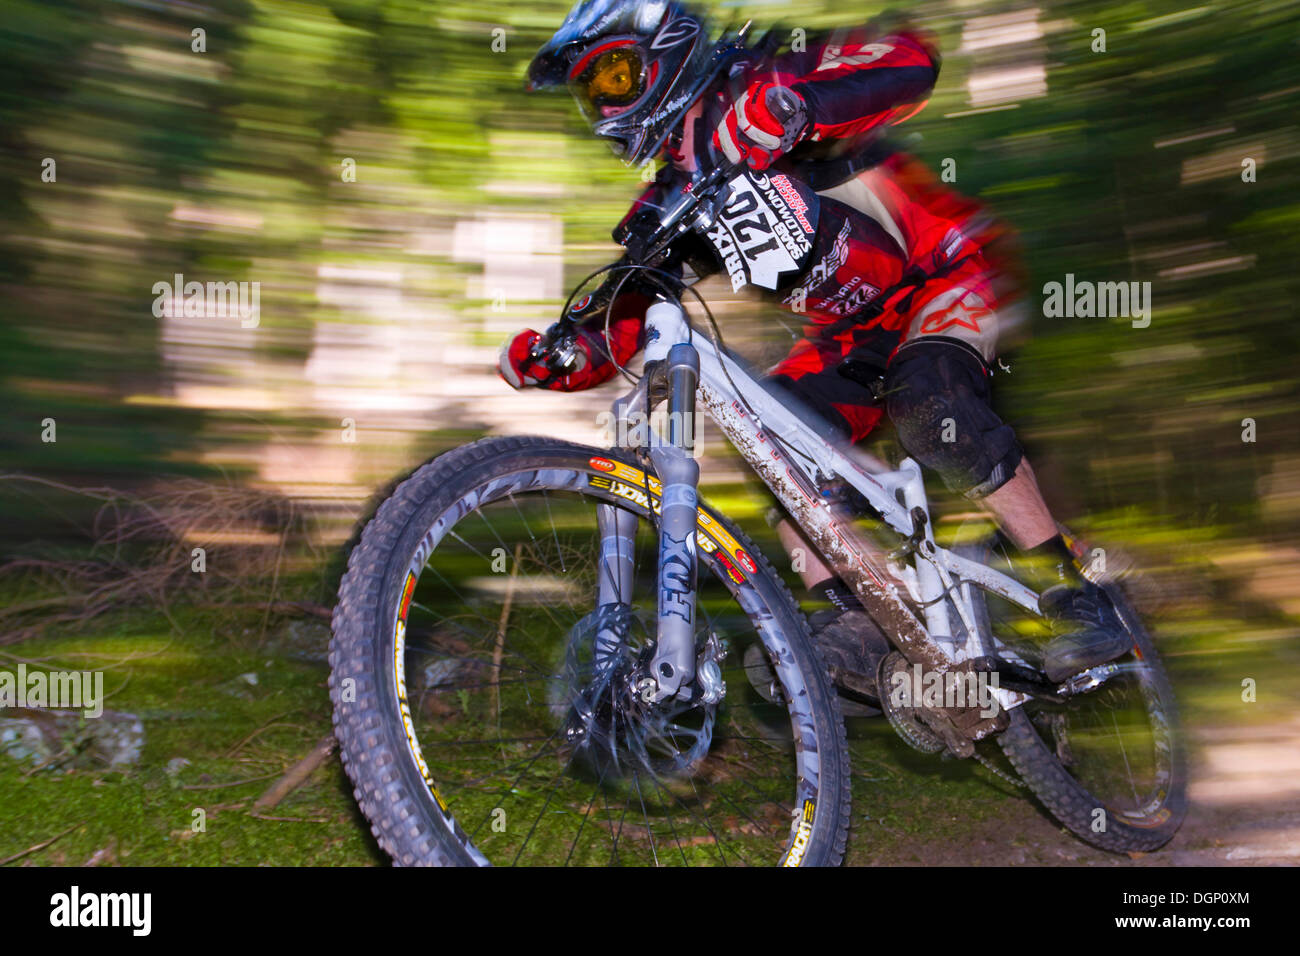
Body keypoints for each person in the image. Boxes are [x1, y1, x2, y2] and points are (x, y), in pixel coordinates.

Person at [499, 0, 1130, 693]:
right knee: (777, 449)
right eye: (593, 92)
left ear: (668, 48)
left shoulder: (767, 72)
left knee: (930, 399)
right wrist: (559, 355)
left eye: (616, 75)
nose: (607, 105)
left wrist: (798, 108)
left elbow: (910, 58)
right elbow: (627, 301)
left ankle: (1077, 597)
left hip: (942, 272)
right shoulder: (669, 197)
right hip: (853, 337)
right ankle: (862, 628)